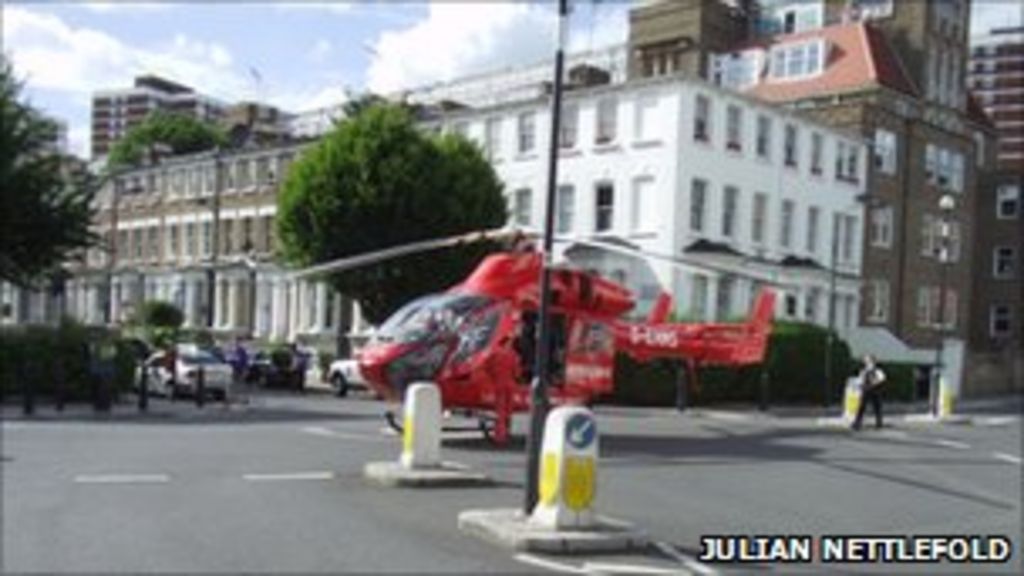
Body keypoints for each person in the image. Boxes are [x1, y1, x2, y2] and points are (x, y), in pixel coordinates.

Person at [852, 354, 886, 430]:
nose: (865, 361)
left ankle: (879, 423)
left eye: (867, 359)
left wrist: (873, 383)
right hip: (866, 390)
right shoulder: (864, 371)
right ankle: (857, 423)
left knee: (877, 407)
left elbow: (881, 378)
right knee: (861, 406)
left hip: (875, 390)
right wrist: (860, 385)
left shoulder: (877, 370)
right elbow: (860, 380)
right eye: (865, 360)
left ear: (871, 361)